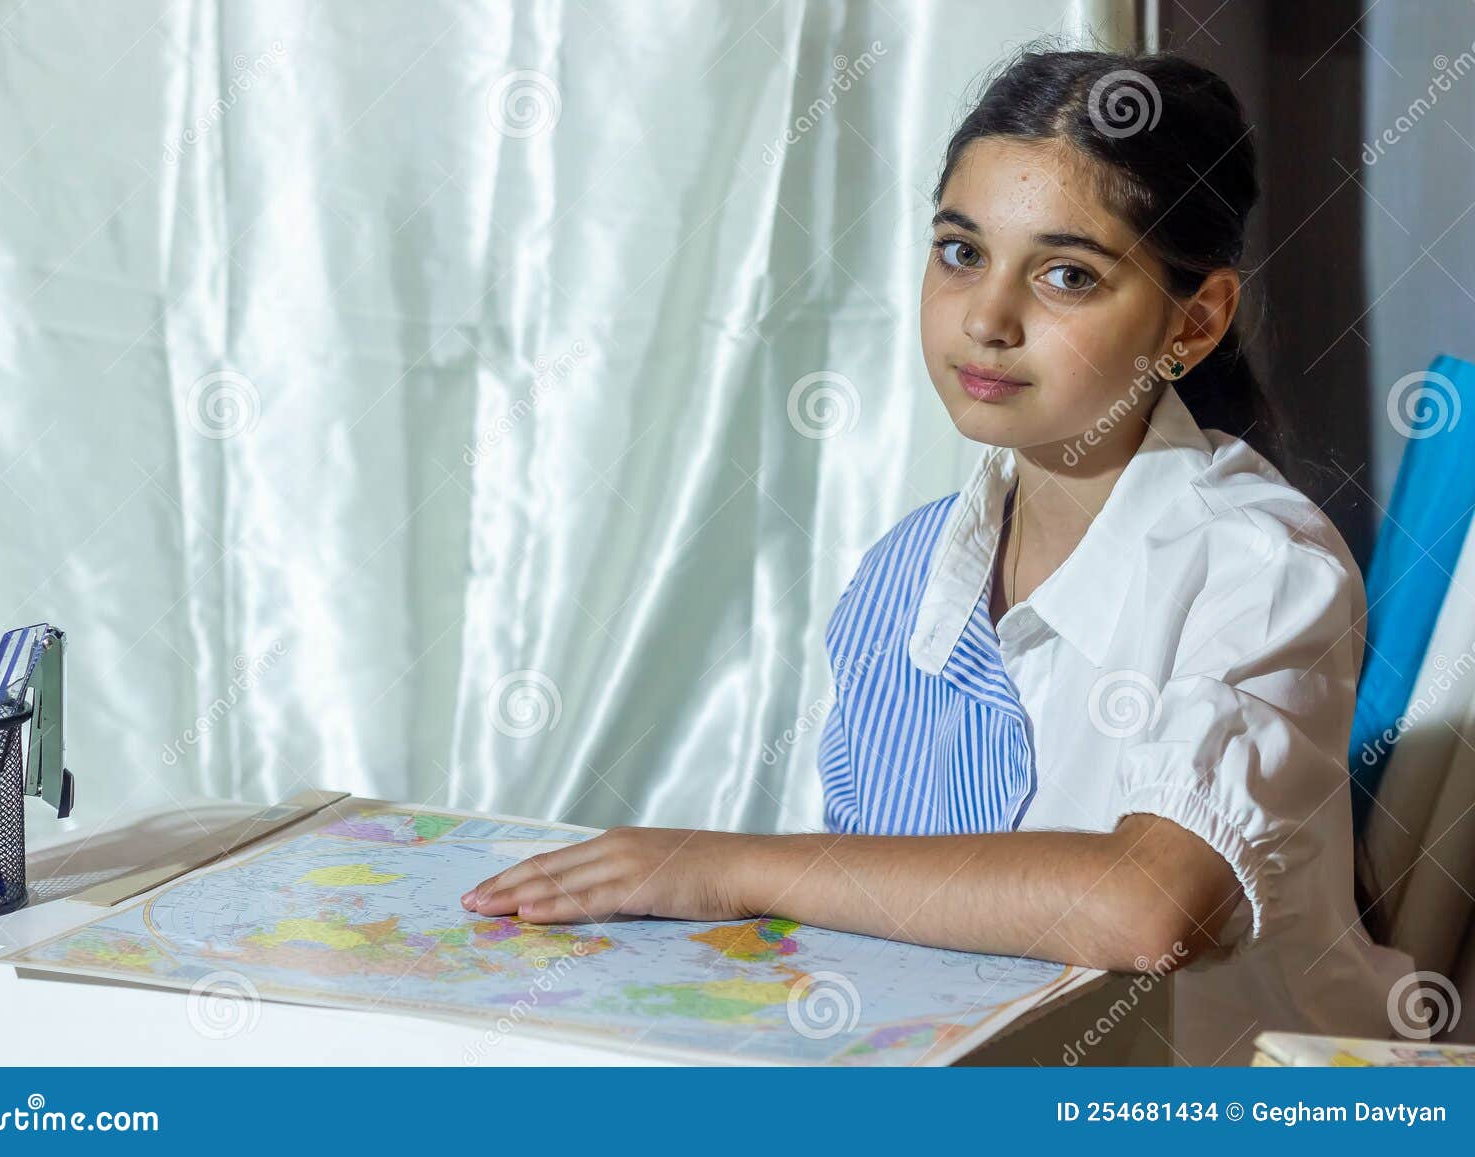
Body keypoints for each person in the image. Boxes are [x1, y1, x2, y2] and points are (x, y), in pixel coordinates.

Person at [460, 47, 1415, 1065]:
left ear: (1193, 320)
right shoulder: (907, 571)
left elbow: (1150, 905)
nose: (988, 319)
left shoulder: (1258, 563)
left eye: (1065, 276)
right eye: (961, 252)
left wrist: (727, 864)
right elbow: (883, 907)